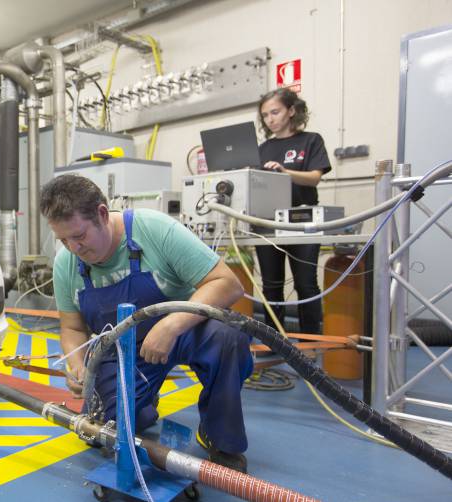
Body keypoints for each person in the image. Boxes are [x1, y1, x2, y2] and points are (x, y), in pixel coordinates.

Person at [41, 174, 254, 472]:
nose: (73, 247)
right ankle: (143, 404)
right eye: (63, 239)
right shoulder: (66, 263)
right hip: (123, 350)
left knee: (227, 336)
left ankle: (221, 439)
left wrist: (172, 325)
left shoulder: (153, 229)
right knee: (101, 431)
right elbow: (72, 328)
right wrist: (78, 366)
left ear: (102, 214)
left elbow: (227, 284)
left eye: (79, 236)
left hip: (184, 331)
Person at [256, 89, 332, 334]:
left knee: (306, 284)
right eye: (265, 115)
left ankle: (310, 344)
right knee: (271, 286)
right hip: (267, 221)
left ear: (291, 111)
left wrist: (284, 171)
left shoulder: (311, 141)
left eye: (275, 112)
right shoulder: (263, 149)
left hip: (301, 220)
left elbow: (314, 178)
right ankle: (273, 339)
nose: (270, 119)